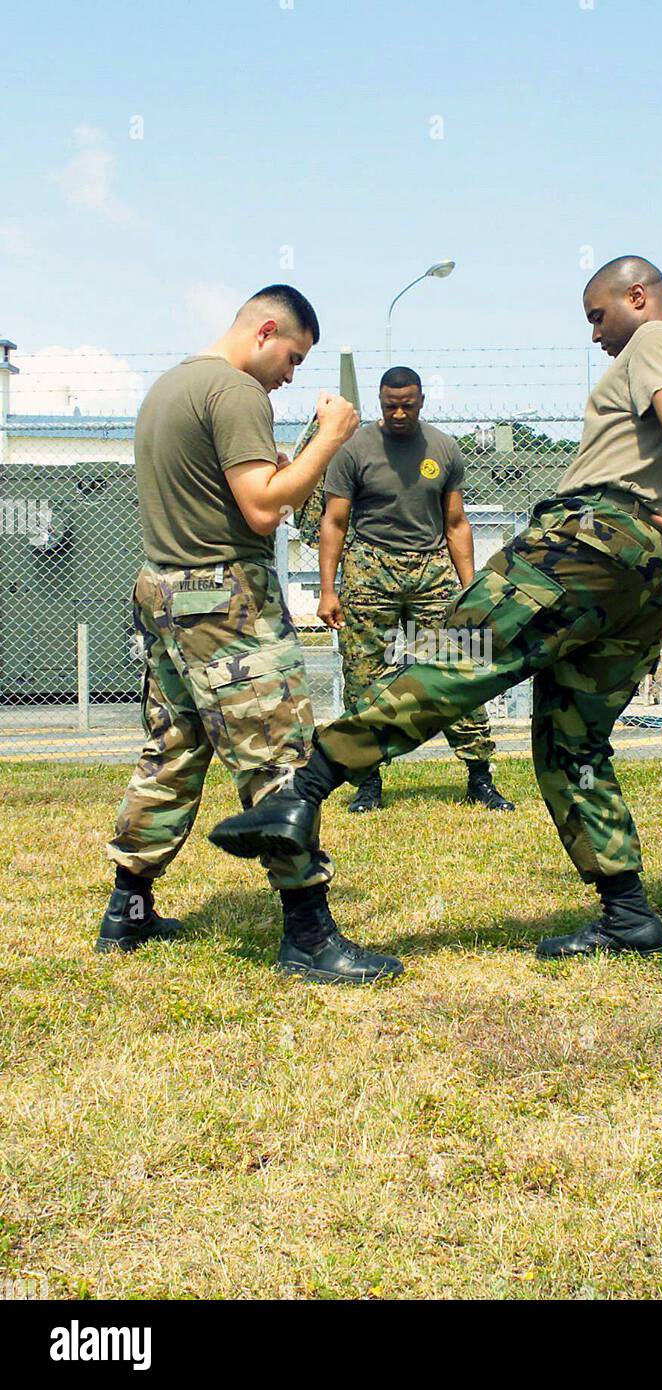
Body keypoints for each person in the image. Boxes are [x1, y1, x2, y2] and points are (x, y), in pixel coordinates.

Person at [209, 257, 662, 963]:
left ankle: (305, 789)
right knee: (572, 744)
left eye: (599, 316)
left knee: (454, 661)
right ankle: (627, 914)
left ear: (638, 296)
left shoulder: (656, 341)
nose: (597, 334)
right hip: (650, 571)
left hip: (589, 543)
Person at [99, 284, 403, 984]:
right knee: (280, 757)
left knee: (172, 751)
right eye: (292, 358)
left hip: (167, 593)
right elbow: (263, 507)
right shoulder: (235, 392)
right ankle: (308, 936)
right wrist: (330, 436)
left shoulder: (169, 388)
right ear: (265, 330)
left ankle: (128, 909)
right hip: (223, 599)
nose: (290, 376)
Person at [318, 365, 514, 813]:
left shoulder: (443, 448)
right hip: (371, 574)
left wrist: (471, 591)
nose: (399, 413)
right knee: (364, 679)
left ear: (422, 400)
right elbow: (334, 521)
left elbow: (456, 522)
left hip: (431, 575)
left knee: (456, 669)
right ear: (380, 402)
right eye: (390, 406)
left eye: (407, 405)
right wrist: (328, 591)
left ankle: (479, 777)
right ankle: (367, 781)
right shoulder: (355, 449)